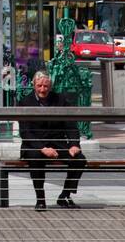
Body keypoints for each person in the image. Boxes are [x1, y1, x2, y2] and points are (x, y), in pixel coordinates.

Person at [18, 69, 86, 210]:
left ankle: (65, 195)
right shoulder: (24, 102)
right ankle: (40, 200)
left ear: (50, 86)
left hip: (57, 143)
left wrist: (74, 144)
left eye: (46, 86)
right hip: (35, 145)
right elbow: (25, 133)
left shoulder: (61, 100)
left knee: (79, 159)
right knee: (36, 158)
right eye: (39, 86)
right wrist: (43, 148)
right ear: (33, 85)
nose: (43, 89)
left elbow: (71, 125)